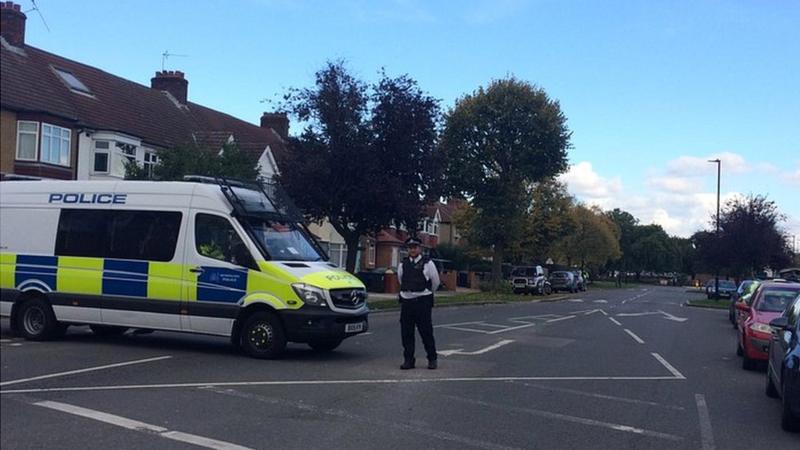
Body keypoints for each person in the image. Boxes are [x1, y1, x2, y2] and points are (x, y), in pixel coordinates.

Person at [397, 237, 440, 370]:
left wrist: (426, 292)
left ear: (419, 248)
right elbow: (400, 280)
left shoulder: (428, 264)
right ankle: (408, 360)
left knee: (426, 331)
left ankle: (432, 358)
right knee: (406, 332)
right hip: (407, 301)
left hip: (422, 301)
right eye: (410, 247)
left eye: (415, 247)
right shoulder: (402, 264)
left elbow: (435, 282)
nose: (413, 250)